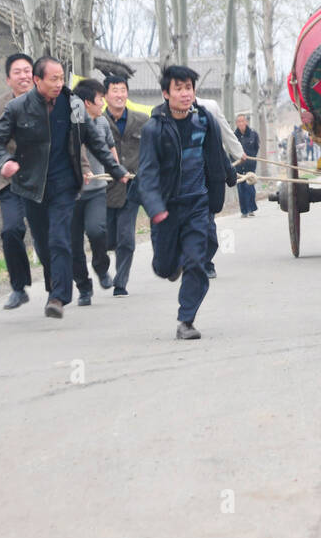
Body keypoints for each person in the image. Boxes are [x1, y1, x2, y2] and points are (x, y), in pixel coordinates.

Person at [0, 57, 129, 319]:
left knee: (59, 238)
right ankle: (55, 286)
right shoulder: (18, 107)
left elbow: (95, 141)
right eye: (53, 79)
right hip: (31, 186)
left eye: (61, 77)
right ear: (37, 81)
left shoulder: (74, 104)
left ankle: (58, 297)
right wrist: (5, 162)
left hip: (65, 184)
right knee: (43, 244)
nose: (59, 83)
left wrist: (116, 169)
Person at [136, 65, 237, 341]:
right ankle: (172, 264)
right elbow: (146, 173)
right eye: (178, 88)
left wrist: (230, 175)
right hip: (168, 208)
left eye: (189, 88)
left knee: (197, 261)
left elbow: (216, 153)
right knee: (164, 267)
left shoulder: (205, 121)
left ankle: (186, 320)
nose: (185, 93)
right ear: (166, 93)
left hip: (198, 204)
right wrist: (155, 209)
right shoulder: (154, 129)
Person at [0, 53, 35, 309]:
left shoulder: (49, 101)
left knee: (49, 235)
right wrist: (4, 162)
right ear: (8, 79)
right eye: (18, 72)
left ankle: (59, 286)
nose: (24, 76)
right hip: (11, 181)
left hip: (42, 179)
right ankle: (19, 286)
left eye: (28, 71)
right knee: (11, 230)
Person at [70, 79, 116, 306]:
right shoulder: (69, 125)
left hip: (96, 190)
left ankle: (101, 267)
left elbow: (110, 147)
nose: (103, 103)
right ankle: (83, 287)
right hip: (71, 195)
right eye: (100, 99)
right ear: (87, 103)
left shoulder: (102, 123)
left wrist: (118, 170)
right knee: (73, 245)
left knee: (97, 231)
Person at [102, 74, 147, 298]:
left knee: (126, 237)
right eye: (114, 91)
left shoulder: (141, 121)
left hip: (132, 187)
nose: (119, 95)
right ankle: (104, 267)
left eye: (122, 90)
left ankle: (121, 282)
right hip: (106, 189)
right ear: (105, 96)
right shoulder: (96, 122)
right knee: (108, 238)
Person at [194, 95, 241, 280]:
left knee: (209, 229)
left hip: (208, 181)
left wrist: (230, 171)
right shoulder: (167, 121)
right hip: (186, 184)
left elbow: (218, 149)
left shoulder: (208, 114)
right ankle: (196, 262)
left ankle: (205, 261)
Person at [234, 113, 260, 216]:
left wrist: (250, 158)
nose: (241, 123)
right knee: (241, 188)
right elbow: (231, 150)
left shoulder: (253, 134)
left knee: (250, 186)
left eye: (242, 121)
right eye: (239, 121)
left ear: (246, 122)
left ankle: (251, 209)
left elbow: (256, 148)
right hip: (239, 165)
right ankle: (244, 211)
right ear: (236, 123)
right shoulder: (233, 136)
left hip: (250, 164)